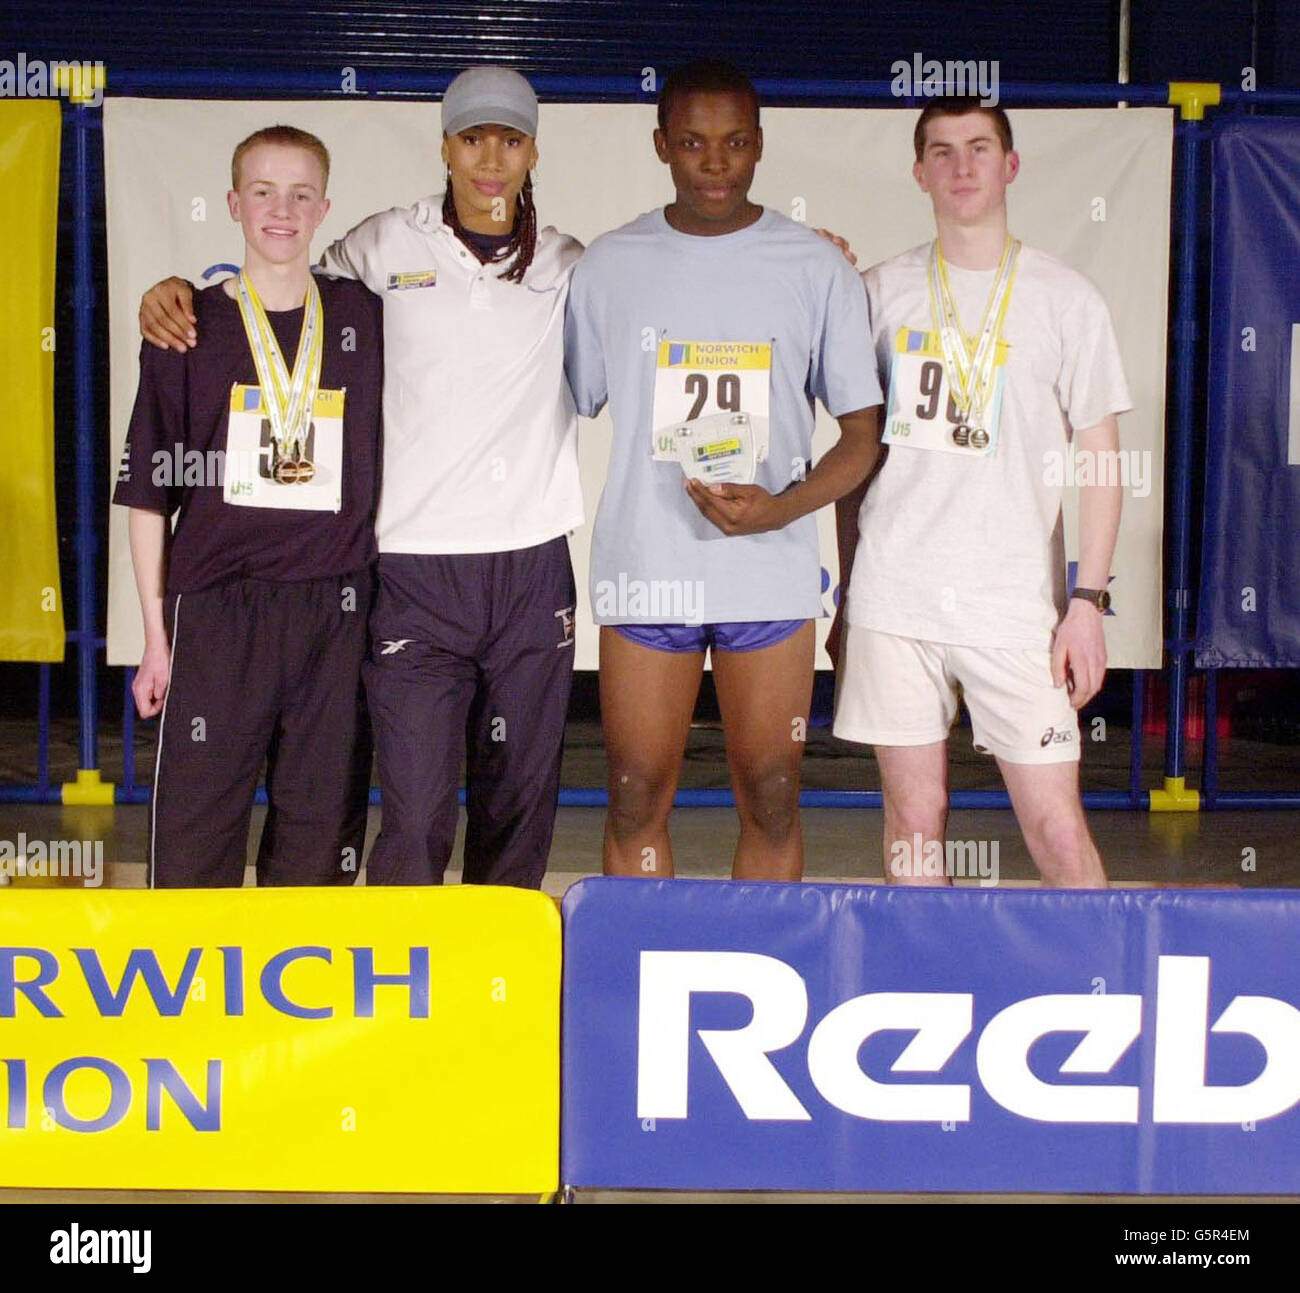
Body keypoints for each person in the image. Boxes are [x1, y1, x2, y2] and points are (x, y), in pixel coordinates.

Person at [139, 68, 583, 889]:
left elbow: (669, 309)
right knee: (414, 819)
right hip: (412, 568)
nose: (490, 158)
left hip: (531, 565)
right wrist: (176, 292)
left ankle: (492, 994)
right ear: (445, 146)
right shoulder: (382, 245)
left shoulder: (569, 261)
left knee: (519, 807)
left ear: (532, 153)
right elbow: (276, 283)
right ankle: (399, 997)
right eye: (472, 137)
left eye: (510, 140)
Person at [564, 60, 883, 882]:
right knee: (634, 792)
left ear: (760, 147)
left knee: (774, 790)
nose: (716, 162)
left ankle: (761, 973)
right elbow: (566, 397)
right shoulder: (607, 265)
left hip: (770, 574)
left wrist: (780, 510)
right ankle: (645, 976)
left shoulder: (816, 267)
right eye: (696, 143)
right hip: (647, 568)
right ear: (662, 144)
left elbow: (862, 437)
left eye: (736, 142)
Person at [830, 97, 1131, 888]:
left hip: (1016, 603)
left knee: (1056, 823)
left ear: (1010, 165)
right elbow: (810, 394)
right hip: (897, 593)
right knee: (914, 821)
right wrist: (811, 274)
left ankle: (1101, 991)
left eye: (978, 148)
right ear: (919, 171)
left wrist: (1088, 602)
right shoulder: (874, 291)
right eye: (942, 151)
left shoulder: (1067, 299)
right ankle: (925, 988)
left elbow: (1101, 456)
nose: (961, 166)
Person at [116, 125, 382, 887]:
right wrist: (156, 633)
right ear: (234, 203)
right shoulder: (185, 325)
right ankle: (188, 996)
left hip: (335, 612)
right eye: (263, 191)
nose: (281, 210)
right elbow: (145, 493)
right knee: (195, 840)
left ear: (325, 206)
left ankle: (295, 995)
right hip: (215, 612)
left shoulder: (364, 317)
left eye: (301, 194)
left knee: (318, 838)